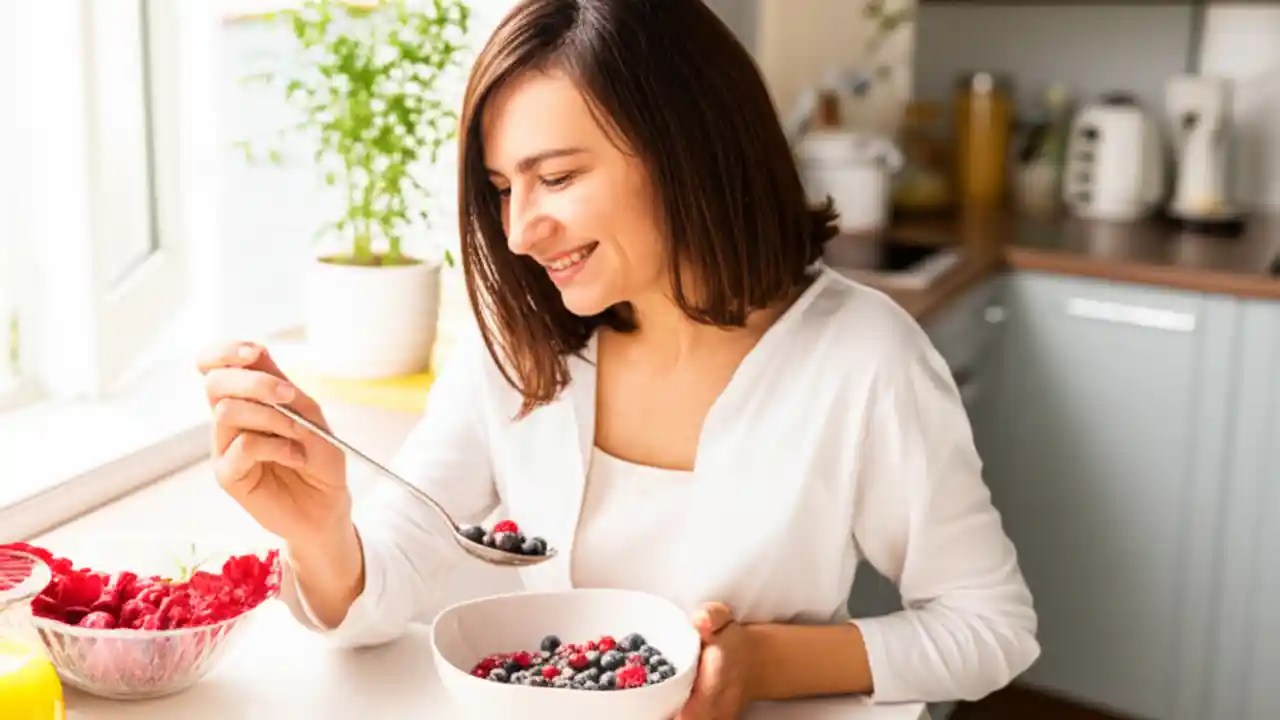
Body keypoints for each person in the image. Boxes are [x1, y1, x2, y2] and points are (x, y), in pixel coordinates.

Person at [198, 0, 1039, 716]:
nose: (521, 232)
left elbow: (990, 625)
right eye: (501, 189)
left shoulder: (863, 360)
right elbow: (383, 586)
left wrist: (764, 662)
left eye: (556, 178)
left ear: (686, 148)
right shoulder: (525, 345)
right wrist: (316, 527)